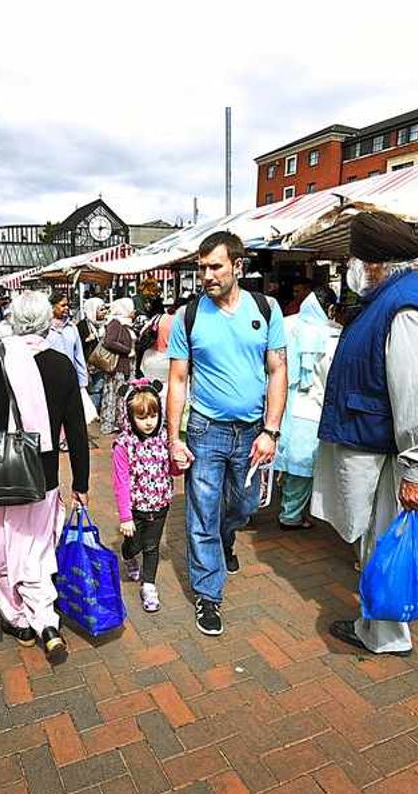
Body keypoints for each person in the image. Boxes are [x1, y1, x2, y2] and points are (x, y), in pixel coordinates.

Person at [312, 211, 418, 657]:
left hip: (394, 452)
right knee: (397, 531)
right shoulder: (393, 297)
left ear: (373, 264)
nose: (350, 268)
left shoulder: (404, 308)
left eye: (353, 259)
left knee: (384, 537)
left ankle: (382, 635)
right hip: (384, 445)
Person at [0, 291, 89, 660]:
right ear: (48, 322)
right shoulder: (61, 365)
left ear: (13, 320)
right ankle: (46, 619)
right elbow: (76, 430)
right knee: (36, 550)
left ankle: (18, 620)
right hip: (40, 476)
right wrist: (81, 483)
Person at [166, 231, 287, 636]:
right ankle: (208, 594)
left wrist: (271, 430)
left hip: (253, 431)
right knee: (201, 511)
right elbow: (178, 380)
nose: (207, 275)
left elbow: (277, 371)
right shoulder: (190, 315)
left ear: (238, 265)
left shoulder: (266, 310)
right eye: (202, 268)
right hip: (205, 430)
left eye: (215, 266)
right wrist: (174, 438)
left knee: (245, 504)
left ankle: (226, 537)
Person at [111, 379, 181, 613]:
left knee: (152, 546)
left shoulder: (164, 438)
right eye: (141, 417)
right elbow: (121, 482)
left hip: (160, 503)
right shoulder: (123, 444)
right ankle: (128, 555)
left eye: (153, 415)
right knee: (135, 544)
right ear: (130, 417)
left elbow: (171, 469)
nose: (149, 422)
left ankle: (149, 585)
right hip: (136, 507)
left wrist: (180, 463)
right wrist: (125, 516)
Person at [277, 286, 340, 529]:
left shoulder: (285, 325)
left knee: (284, 457)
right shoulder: (331, 335)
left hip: (282, 401)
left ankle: (277, 507)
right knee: (302, 464)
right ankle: (291, 515)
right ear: (330, 308)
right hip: (313, 405)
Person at [98, 298, 137, 435]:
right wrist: (127, 350)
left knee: (122, 395)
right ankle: (109, 423)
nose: (133, 311)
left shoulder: (127, 323)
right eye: (131, 307)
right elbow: (109, 342)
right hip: (118, 366)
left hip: (126, 366)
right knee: (114, 395)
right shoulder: (115, 322)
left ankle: (120, 422)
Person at [46, 293, 88, 391]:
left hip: (70, 377)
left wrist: (83, 383)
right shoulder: (45, 329)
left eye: (68, 305)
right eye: (63, 305)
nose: (66, 308)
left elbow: (78, 355)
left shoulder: (72, 328)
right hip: (51, 377)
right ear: (52, 306)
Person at [78, 297, 107, 413]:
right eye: (101, 310)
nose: (104, 312)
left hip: (102, 362)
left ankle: (96, 412)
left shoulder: (105, 325)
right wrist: (87, 340)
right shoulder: (82, 326)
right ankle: (92, 413)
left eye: (105, 309)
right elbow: (78, 345)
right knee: (92, 389)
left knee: (99, 388)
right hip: (88, 363)